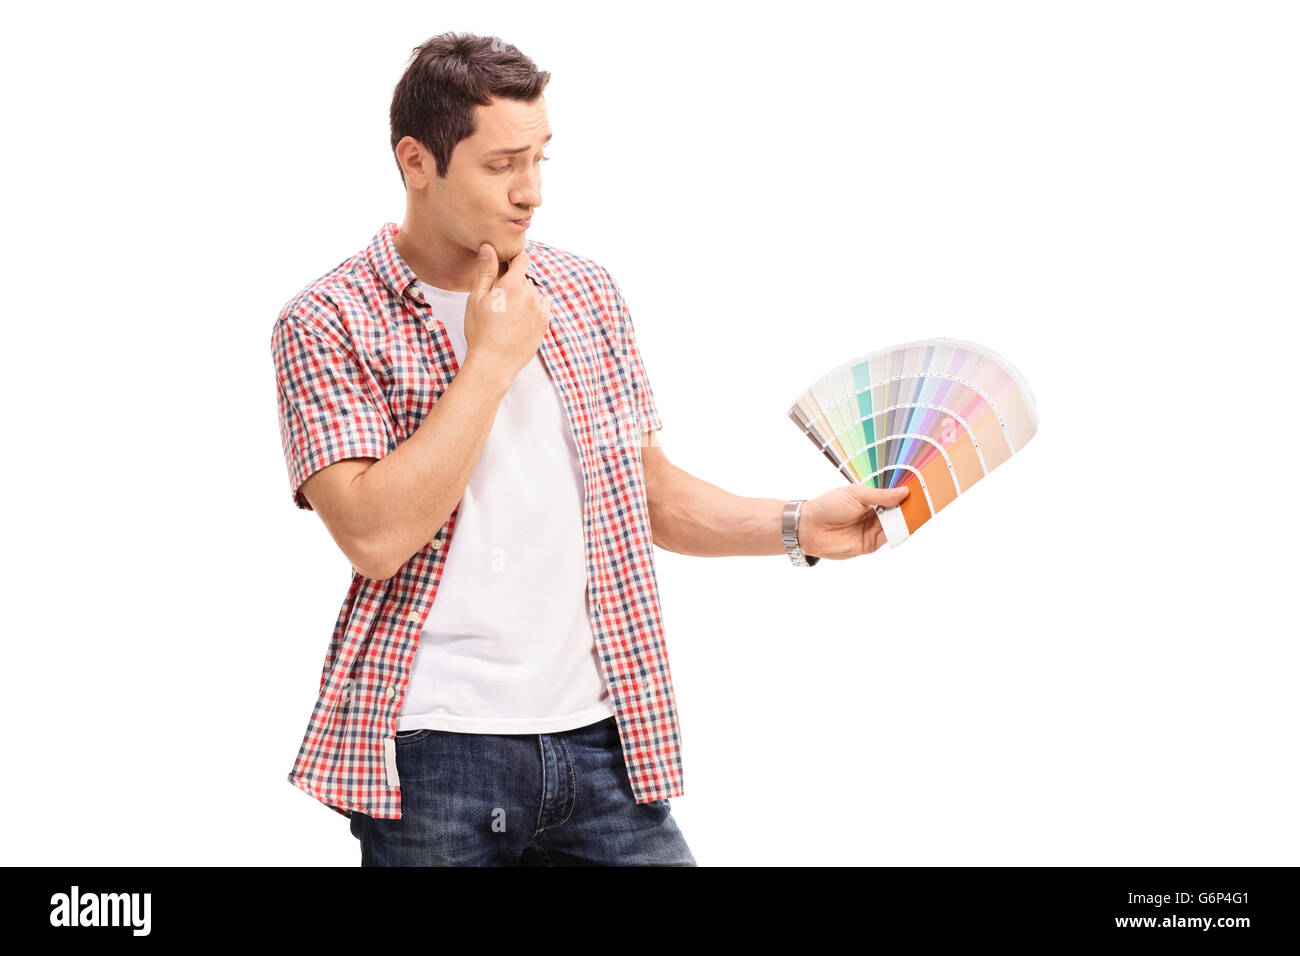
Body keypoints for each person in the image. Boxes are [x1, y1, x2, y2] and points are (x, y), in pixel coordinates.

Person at [269, 31, 908, 867]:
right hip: (437, 752)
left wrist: (799, 527)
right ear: (417, 161)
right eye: (501, 165)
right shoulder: (326, 321)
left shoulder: (585, 292)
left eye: (539, 158)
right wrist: (491, 358)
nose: (530, 191)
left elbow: (647, 497)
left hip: (602, 741)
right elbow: (376, 538)